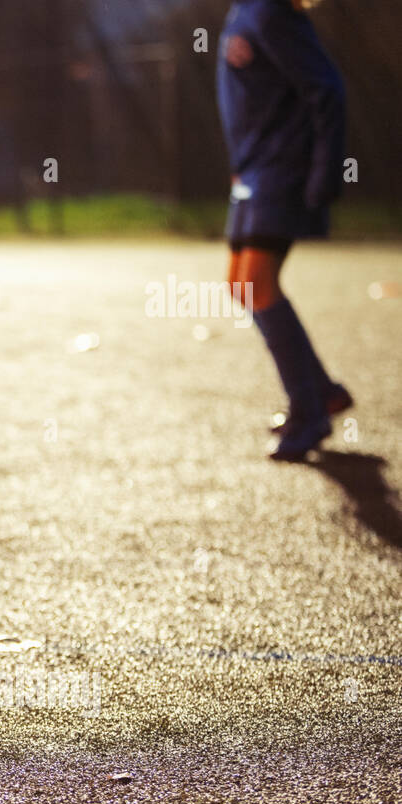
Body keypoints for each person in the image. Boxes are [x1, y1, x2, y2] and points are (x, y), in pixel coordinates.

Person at [218, 0, 350, 461]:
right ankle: (324, 392)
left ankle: (309, 413)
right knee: (240, 285)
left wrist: (324, 172)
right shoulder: (245, 10)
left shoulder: (273, 13)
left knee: (257, 284)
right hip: (253, 173)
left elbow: (328, 89)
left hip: (282, 172)